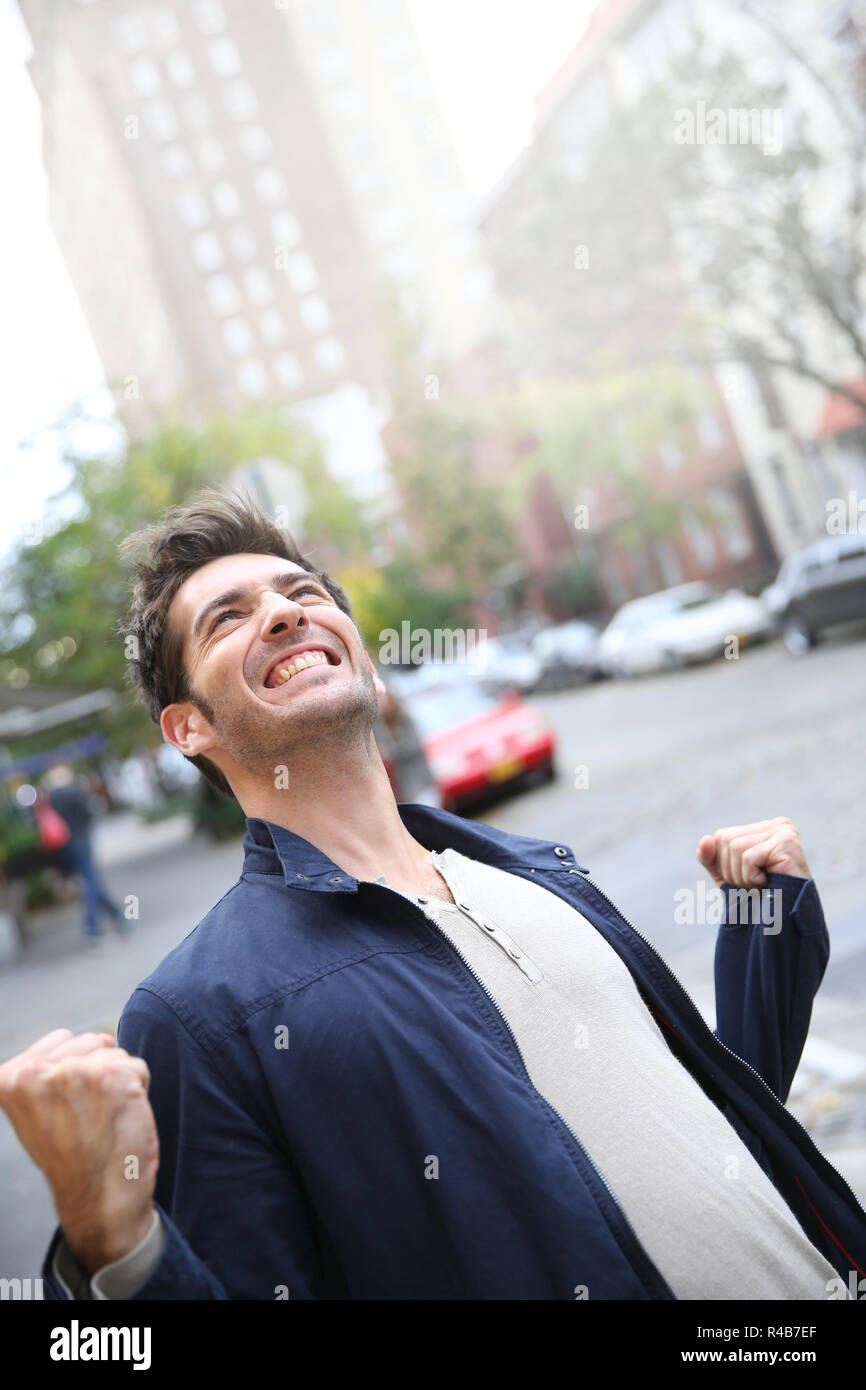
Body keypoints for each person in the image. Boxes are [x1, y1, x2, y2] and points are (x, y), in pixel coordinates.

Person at [0, 487, 863, 1300]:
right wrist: (116, 1248)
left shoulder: (536, 869)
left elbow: (702, 1122)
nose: (283, 611)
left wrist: (766, 936)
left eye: (299, 591)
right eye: (229, 617)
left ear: (366, 664)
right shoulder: (199, 1015)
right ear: (189, 727)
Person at [42, 763, 128, 944]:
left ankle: (118, 917)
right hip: (82, 840)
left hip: (65, 845)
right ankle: (93, 928)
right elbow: (88, 813)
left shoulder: (52, 797)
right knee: (91, 882)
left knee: (91, 881)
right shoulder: (74, 791)